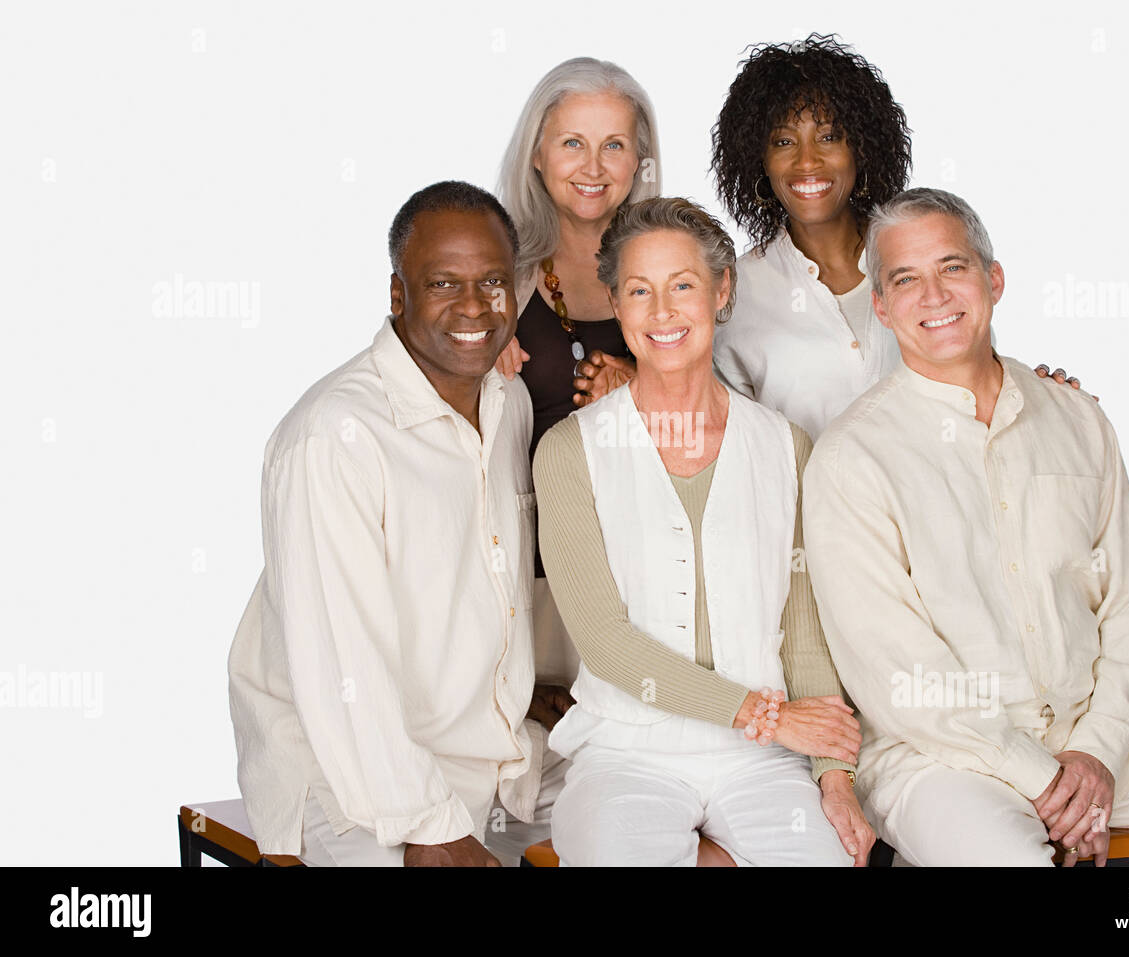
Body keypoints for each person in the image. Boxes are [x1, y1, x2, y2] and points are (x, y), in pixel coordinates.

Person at [803, 186, 1129, 865]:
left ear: (993, 279)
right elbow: (899, 677)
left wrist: (1095, 752)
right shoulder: (851, 456)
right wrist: (1048, 779)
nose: (935, 295)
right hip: (942, 760)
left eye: (953, 266)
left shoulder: (1078, 419)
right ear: (882, 307)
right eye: (905, 279)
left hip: (1093, 742)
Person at [227, 181, 561, 867]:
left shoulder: (509, 404)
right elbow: (341, 665)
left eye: (493, 282)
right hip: (351, 782)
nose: (473, 307)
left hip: (496, 754)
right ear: (397, 295)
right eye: (443, 283)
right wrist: (427, 824)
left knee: (669, 815)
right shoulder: (331, 438)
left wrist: (517, 685)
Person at [534, 196, 871, 866]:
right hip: (626, 754)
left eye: (682, 285)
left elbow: (802, 631)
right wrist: (765, 713)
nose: (662, 312)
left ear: (722, 290)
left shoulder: (783, 446)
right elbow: (605, 642)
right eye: (639, 290)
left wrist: (836, 776)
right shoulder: (571, 451)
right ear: (617, 303)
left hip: (761, 764)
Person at [710, 34, 1082, 440]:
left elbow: (980, 385)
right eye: (783, 141)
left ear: (861, 147)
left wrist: (1043, 398)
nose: (807, 161)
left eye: (829, 136)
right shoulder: (736, 295)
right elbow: (742, 451)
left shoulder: (925, 255)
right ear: (757, 159)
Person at [494, 56, 658, 688]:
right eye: (572, 144)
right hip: (520, 584)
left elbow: (724, 409)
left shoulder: (671, 264)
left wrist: (642, 393)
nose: (593, 168)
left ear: (640, 160)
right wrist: (476, 356)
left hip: (643, 581)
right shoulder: (495, 273)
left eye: (614, 145)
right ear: (537, 153)